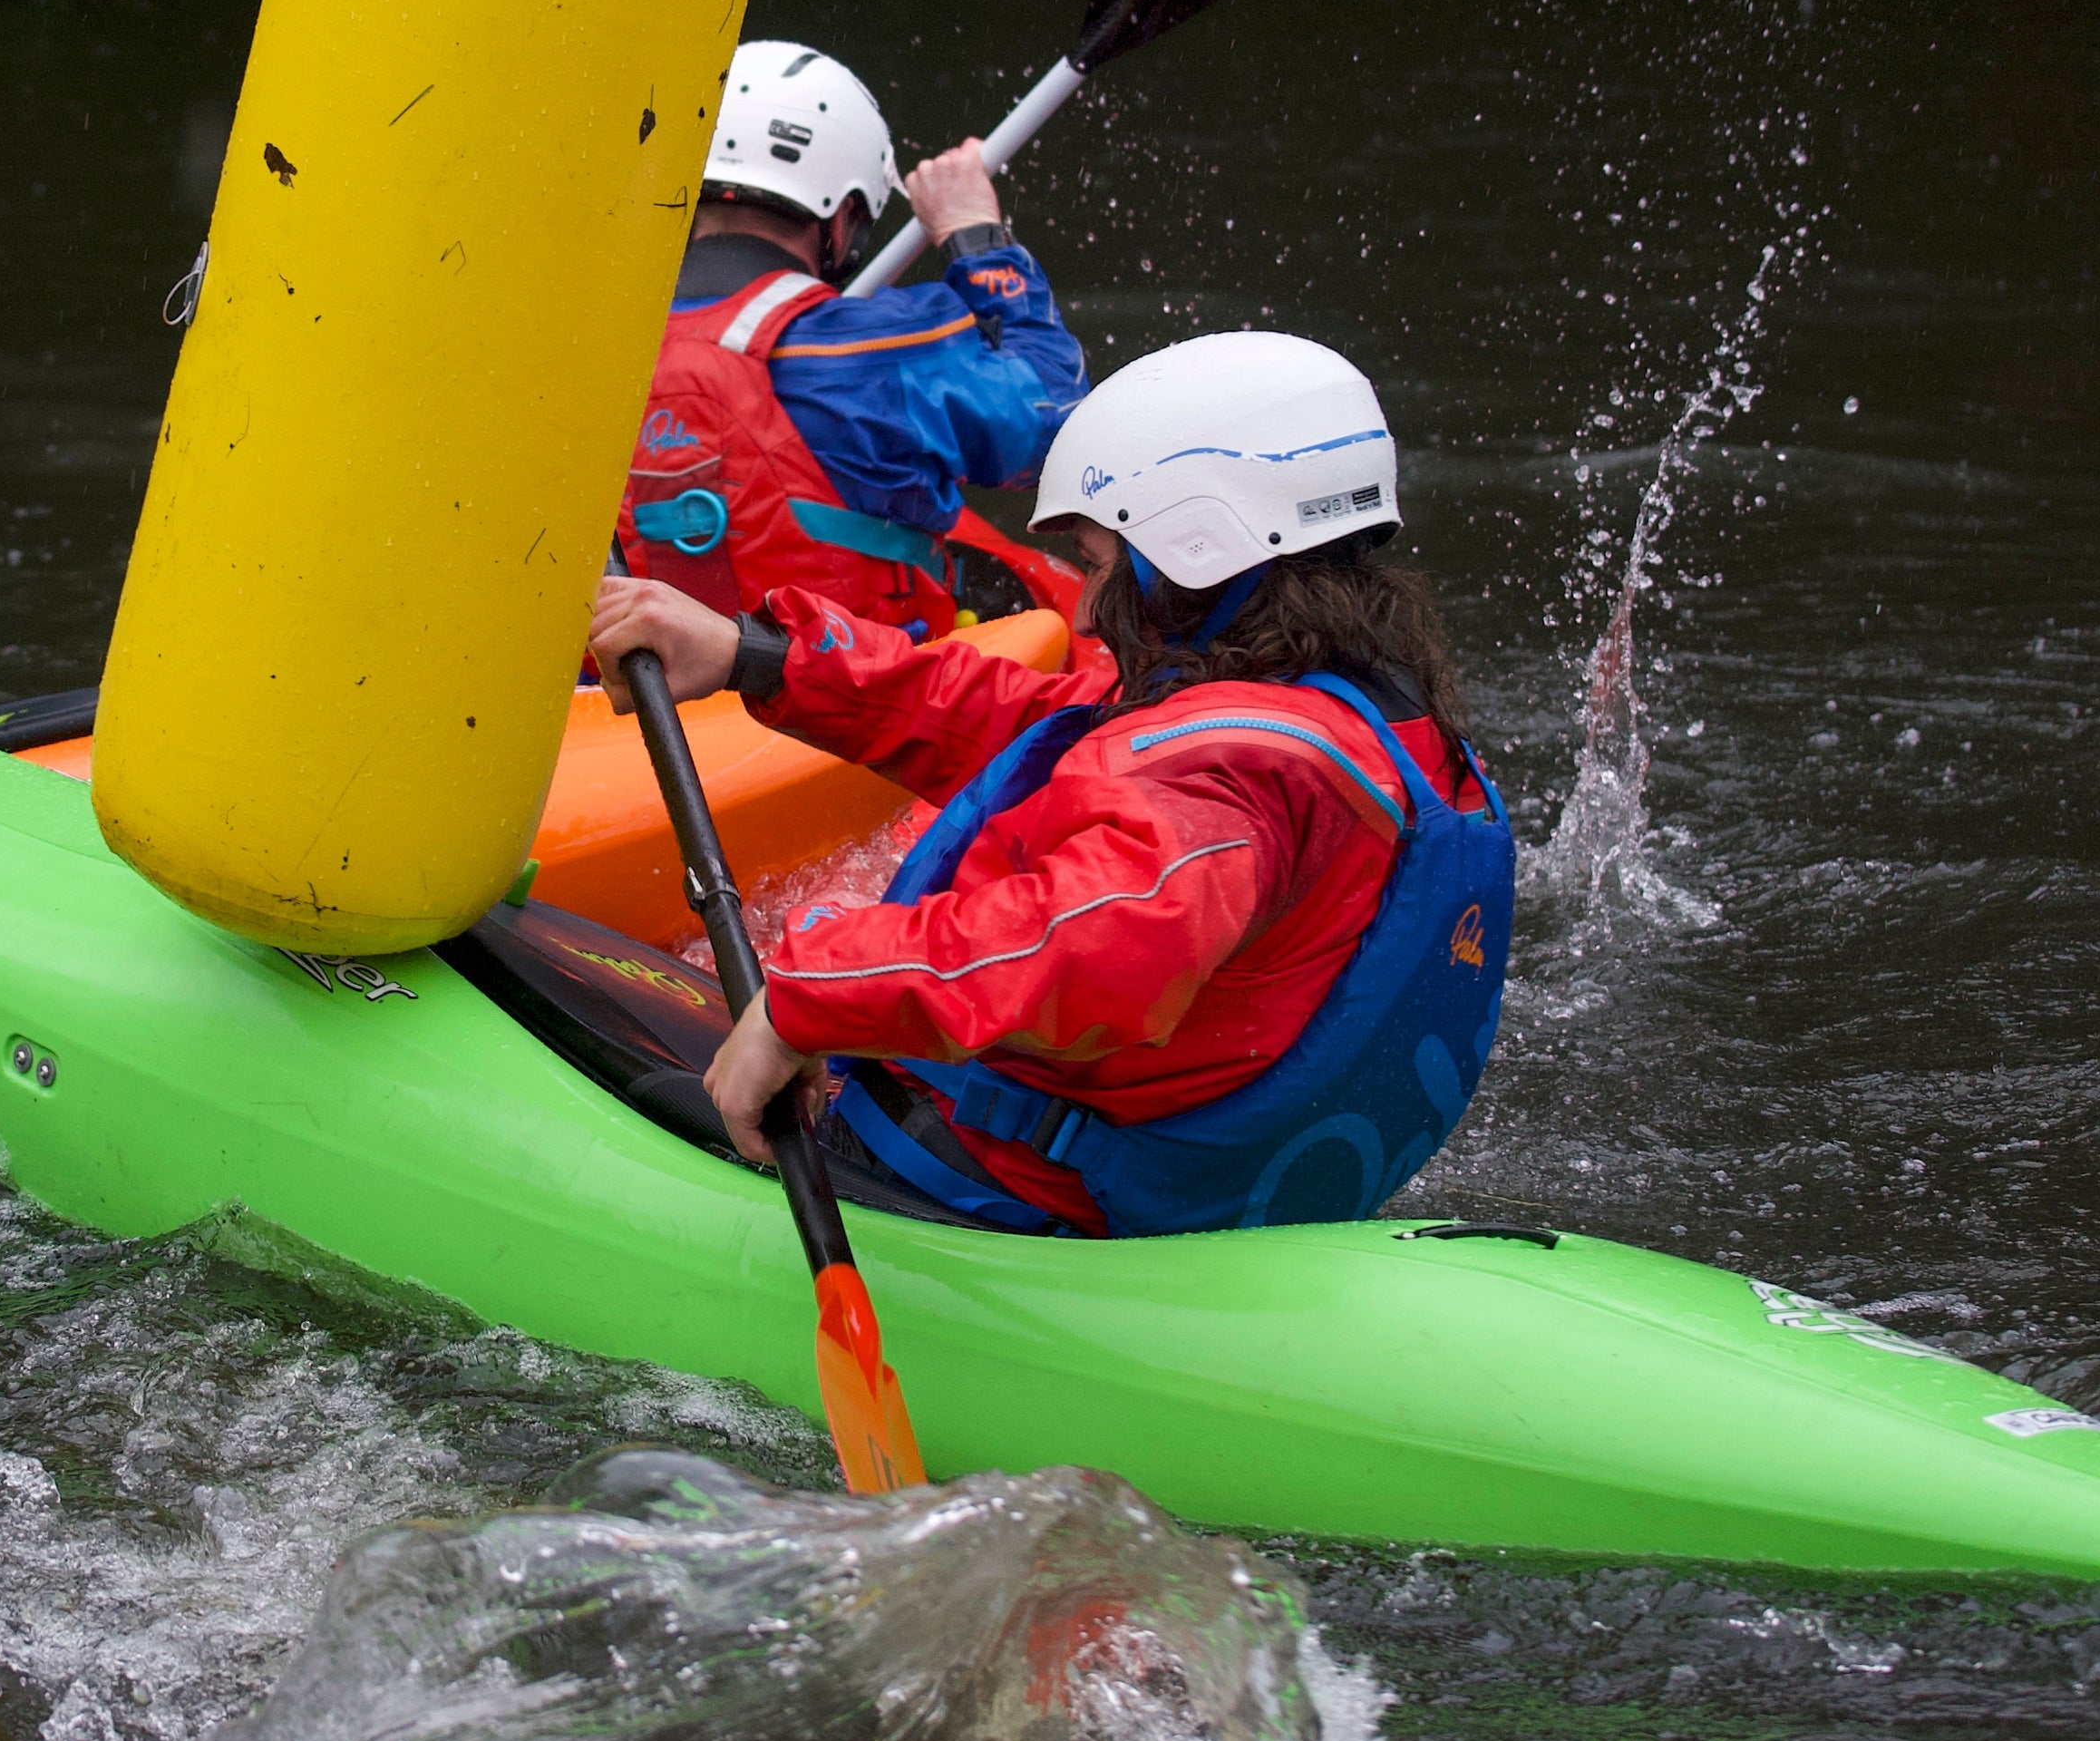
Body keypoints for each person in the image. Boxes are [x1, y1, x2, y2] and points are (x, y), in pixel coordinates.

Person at [588, 330, 1513, 1237]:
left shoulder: (1235, 779)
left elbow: (1094, 945)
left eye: (1098, 564)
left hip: (986, 1190)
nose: (1077, 603)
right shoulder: (1349, 715)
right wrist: (760, 656)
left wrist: (813, 993)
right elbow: (1033, 728)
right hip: (1146, 1174)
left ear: (1195, 550)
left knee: (568, 1026)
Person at [617, 40, 1086, 638]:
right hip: (843, 700)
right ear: (843, 221)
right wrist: (977, 237)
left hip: (622, 703)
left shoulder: (596, 348)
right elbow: (1056, 428)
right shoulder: (874, 349)